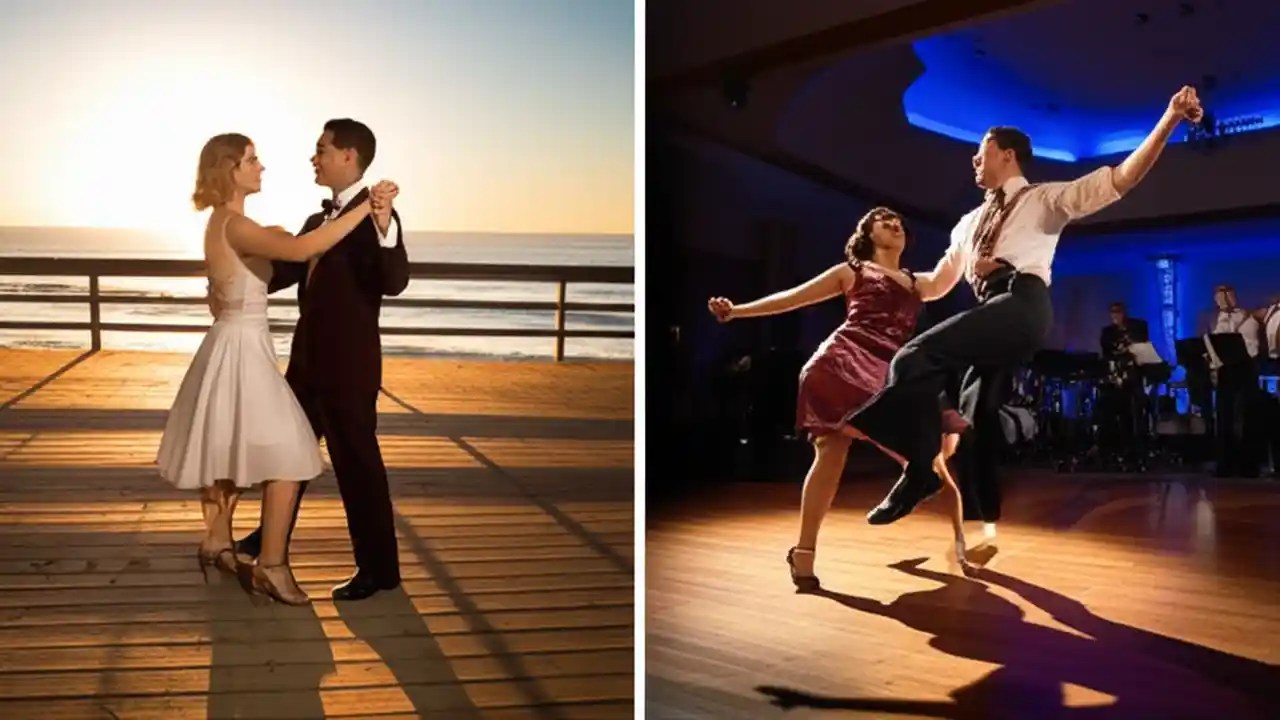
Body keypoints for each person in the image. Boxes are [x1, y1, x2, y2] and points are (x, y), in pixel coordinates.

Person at [847, 86, 1204, 525]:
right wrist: (885, 275)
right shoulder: (966, 224)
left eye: (982, 153)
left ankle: (918, 471)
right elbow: (938, 284)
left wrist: (1169, 118)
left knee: (912, 356)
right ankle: (983, 524)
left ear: (1007, 155)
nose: (974, 162)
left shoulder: (1044, 199)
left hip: (1023, 303)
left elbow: (1122, 179)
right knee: (974, 422)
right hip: (990, 312)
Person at [156, 132, 396, 605]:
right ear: (230, 169)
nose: (262, 166)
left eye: (321, 150)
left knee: (232, 443)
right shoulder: (239, 223)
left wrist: (288, 240)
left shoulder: (232, 224)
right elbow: (302, 252)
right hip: (250, 352)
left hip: (273, 351)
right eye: (252, 159)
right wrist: (364, 208)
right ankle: (270, 564)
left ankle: (220, 540)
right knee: (287, 453)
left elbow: (274, 267)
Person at [708, 207, 973, 591]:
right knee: (831, 453)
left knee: (933, 464)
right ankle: (804, 554)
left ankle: (960, 544)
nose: (895, 224)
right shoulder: (852, 271)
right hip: (841, 367)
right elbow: (792, 299)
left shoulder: (918, 283)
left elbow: (951, 269)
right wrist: (736, 312)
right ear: (866, 233)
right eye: (885, 221)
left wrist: (971, 228)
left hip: (890, 376)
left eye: (899, 222)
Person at [234, 119, 411, 601]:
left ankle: (379, 570)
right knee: (284, 453)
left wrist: (384, 221)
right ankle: (267, 538)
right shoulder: (316, 223)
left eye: (322, 150)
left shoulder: (376, 216)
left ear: (349, 157)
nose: (314, 159)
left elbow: (394, 280)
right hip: (305, 364)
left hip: (349, 368)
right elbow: (281, 273)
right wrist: (231, 265)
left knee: (358, 466)